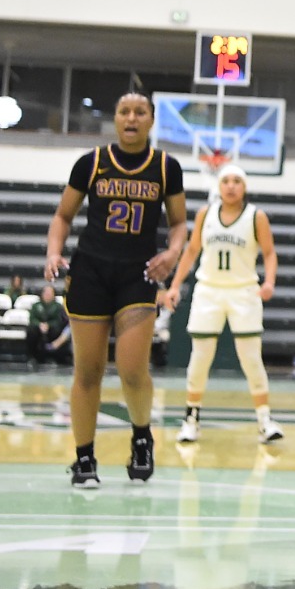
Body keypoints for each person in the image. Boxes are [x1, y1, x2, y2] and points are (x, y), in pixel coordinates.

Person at [45, 92, 186, 489]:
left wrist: (173, 253)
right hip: (90, 272)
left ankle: (142, 437)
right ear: (116, 118)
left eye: (140, 112)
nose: (131, 117)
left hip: (138, 275)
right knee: (87, 371)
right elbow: (63, 215)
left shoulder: (165, 167)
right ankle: (84, 457)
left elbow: (178, 225)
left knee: (131, 371)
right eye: (124, 110)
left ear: (151, 120)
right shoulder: (91, 163)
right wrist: (54, 252)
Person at [163, 164, 281, 445]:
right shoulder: (205, 214)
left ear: (245, 186)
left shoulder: (256, 217)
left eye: (236, 181)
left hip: (244, 292)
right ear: (218, 185)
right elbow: (192, 251)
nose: (230, 186)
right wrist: (175, 285)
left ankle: (265, 420)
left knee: (251, 358)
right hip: (209, 291)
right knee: (200, 356)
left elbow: (269, 253)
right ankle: (191, 419)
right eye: (225, 180)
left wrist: (269, 282)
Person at [27, 282, 71, 367]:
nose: (48, 295)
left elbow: (59, 320)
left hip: (52, 329)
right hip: (38, 328)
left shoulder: (58, 306)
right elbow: (32, 319)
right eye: (46, 292)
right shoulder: (36, 306)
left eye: (50, 293)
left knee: (57, 330)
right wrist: (40, 324)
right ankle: (33, 357)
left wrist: (48, 325)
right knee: (31, 331)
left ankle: (55, 357)